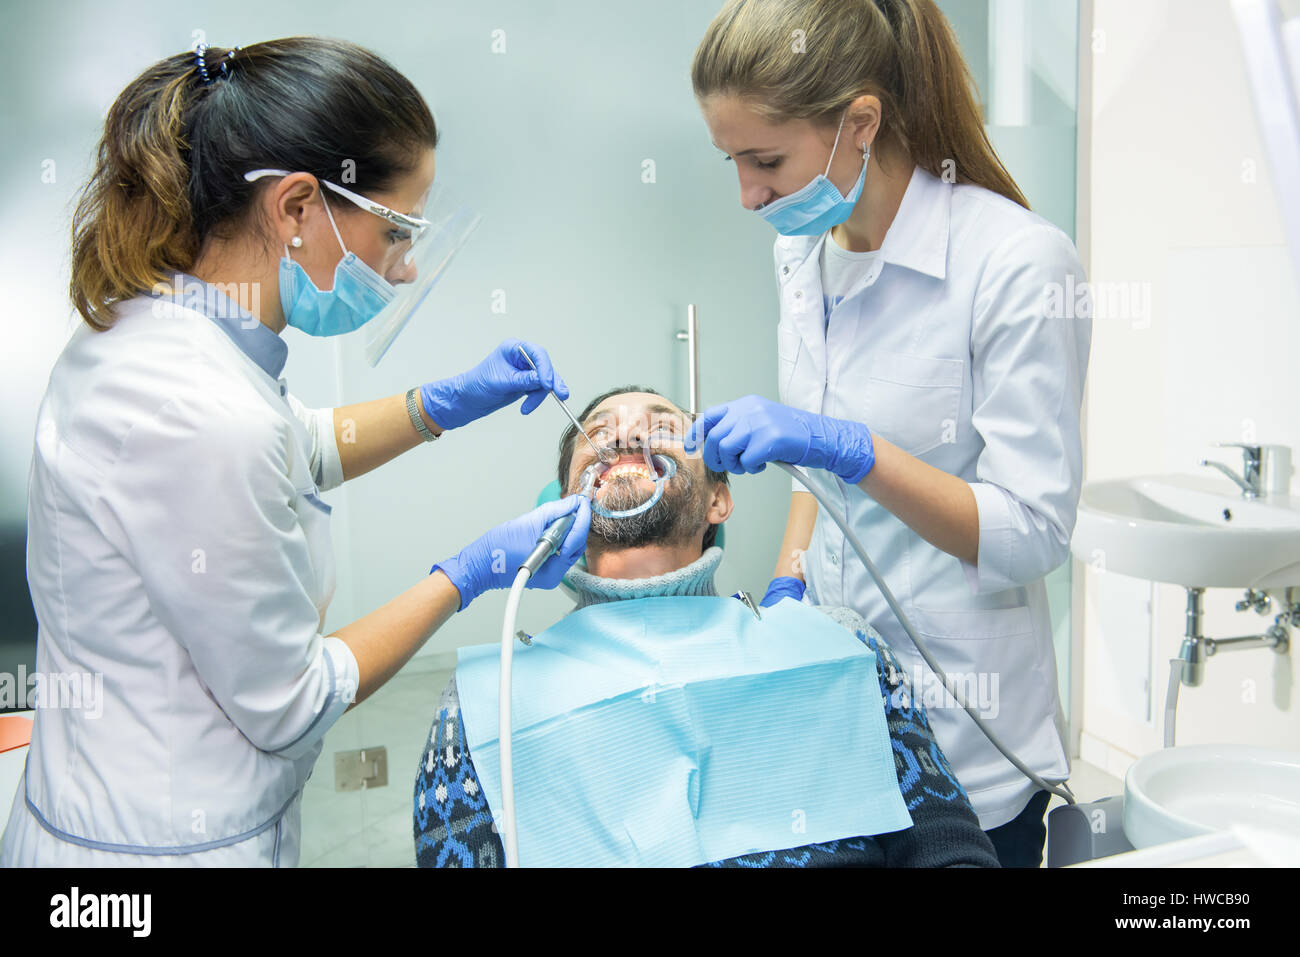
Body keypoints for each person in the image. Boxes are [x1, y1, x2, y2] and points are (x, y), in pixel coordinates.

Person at [0, 38, 590, 867]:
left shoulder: (170, 332)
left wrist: (441, 405)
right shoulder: (195, 407)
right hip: (152, 851)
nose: (408, 266)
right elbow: (295, 702)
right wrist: (465, 574)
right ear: (297, 208)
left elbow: (294, 444)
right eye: (396, 230)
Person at [687, 0, 1091, 866]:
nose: (748, 196)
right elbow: (813, 475)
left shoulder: (1015, 263)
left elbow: (1032, 534)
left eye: (765, 160)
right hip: (838, 716)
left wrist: (857, 450)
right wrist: (789, 581)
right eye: (730, 162)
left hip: (968, 736)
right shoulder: (801, 251)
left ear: (860, 122)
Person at [412, 388, 1000, 868]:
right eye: (599, 429)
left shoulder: (841, 642)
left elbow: (947, 847)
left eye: (663, 425)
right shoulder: (488, 698)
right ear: (564, 502)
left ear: (720, 500)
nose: (628, 434)